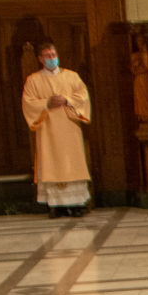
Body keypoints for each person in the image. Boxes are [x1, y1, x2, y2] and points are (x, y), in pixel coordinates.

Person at [21, 42, 92, 218]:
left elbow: (83, 97)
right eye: (47, 56)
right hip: (48, 129)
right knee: (51, 163)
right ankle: (57, 206)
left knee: (72, 163)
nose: (52, 58)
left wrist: (67, 100)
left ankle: (77, 204)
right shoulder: (33, 80)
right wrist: (46, 103)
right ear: (40, 59)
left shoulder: (72, 76)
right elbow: (28, 103)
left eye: (53, 55)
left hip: (69, 128)